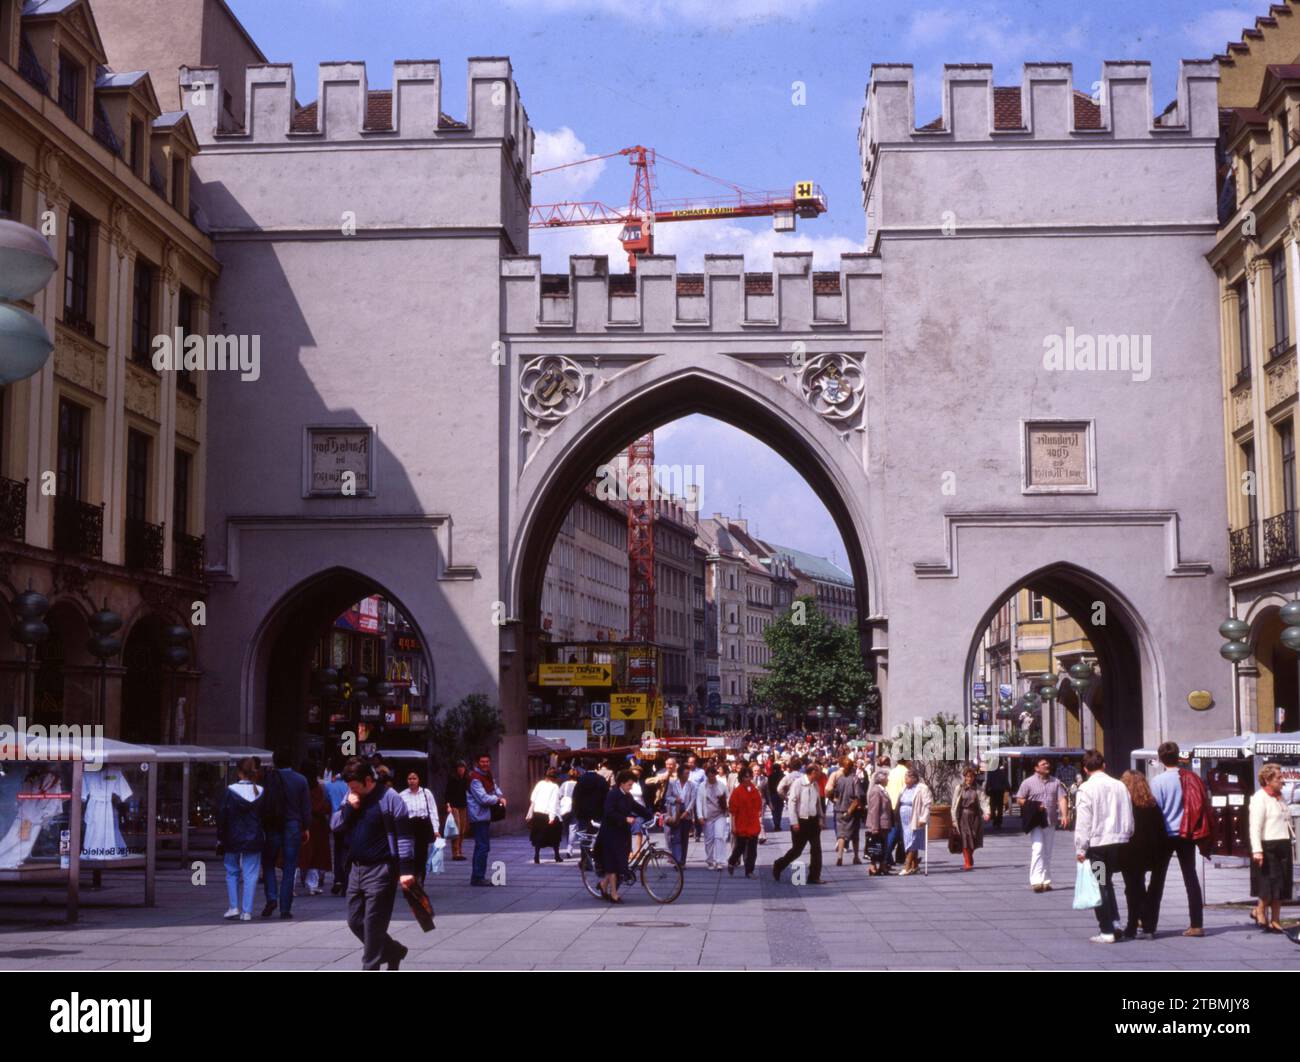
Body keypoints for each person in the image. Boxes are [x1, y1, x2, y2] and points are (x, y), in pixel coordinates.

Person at [330, 757, 416, 971]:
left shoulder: (390, 798)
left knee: (373, 924)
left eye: (355, 786)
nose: (352, 790)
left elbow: (405, 836)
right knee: (355, 921)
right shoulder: (351, 796)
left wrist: (405, 870)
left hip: (380, 869)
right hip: (355, 869)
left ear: (368, 780)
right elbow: (335, 825)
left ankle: (370, 966)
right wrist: (350, 807)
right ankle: (393, 950)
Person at [1073, 749, 1134, 944]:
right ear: (1104, 765)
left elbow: (1083, 821)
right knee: (1108, 884)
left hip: (1098, 846)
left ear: (1085, 769)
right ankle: (1115, 922)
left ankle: (1106, 929)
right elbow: (1129, 814)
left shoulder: (1086, 789)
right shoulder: (1120, 786)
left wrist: (1081, 848)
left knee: (1100, 885)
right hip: (1119, 842)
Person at [1146, 741, 1206, 938]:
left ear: (1161, 759)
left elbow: (1155, 812)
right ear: (1178, 756)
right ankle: (1196, 924)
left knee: (1157, 880)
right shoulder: (1190, 778)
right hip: (1186, 833)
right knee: (1190, 878)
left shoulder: (1158, 781)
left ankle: (1150, 925)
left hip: (1165, 835)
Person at [261, 748, 311, 920]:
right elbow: (306, 808)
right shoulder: (300, 780)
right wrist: (306, 827)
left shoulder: (268, 779)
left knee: (268, 862)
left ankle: (271, 897)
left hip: (272, 825)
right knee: (289, 867)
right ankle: (285, 908)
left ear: (275, 761)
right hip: (293, 825)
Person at [1249, 762, 1295, 933]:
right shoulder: (1259, 798)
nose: (1282, 780)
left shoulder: (1279, 797)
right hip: (1267, 844)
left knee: (1282, 884)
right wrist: (1257, 850)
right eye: (1278, 777)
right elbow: (1255, 826)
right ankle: (1260, 910)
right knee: (1269, 882)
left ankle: (1275, 920)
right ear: (1268, 780)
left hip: (1283, 843)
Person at [217, 757, 265, 921]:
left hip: (232, 837)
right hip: (254, 837)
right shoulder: (260, 791)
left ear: (238, 772)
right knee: (251, 874)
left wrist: (220, 838)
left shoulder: (230, 791)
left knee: (232, 872)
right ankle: (247, 912)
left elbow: (222, 816)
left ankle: (233, 907)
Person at [1119, 769, 1164, 940]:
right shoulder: (1152, 805)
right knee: (1142, 888)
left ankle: (1131, 925)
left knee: (1132, 889)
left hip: (1129, 853)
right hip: (1151, 854)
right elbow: (1160, 831)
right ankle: (1147, 925)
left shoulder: (1127, 805)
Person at [593, 769, 650, 903]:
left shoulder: (627, 796)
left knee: (619, 863)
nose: (631, 787)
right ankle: (614, 894)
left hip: (622, 834)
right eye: (629, 785)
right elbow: (609, 812)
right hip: (610, 834)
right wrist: (624, 819)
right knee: (612, 864)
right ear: (622, 783)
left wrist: (651, 814)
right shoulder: (613, 794)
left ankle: (603, 885)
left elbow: (637, 807)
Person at [1015, 757, 1071, 892]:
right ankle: (1036, 881)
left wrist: (1064, 815)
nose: (1047, 765)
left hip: (1050, 820)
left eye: (1048, 763)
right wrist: (1033, 805)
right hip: (1036, 821)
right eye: (1043, 764)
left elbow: (1062, 798)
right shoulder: (1028, 783)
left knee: (1047, 852)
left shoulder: (1055, 782)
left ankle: (1046, 880)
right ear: (1036, 768)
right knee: (1038, 848)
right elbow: (1019, 799)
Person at [772, 761, 825, 884]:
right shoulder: (798, 783)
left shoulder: (815, 784)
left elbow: (818, 803)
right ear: (812, 772)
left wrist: (821, 819)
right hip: (800, 821)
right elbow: (792, 803)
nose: (820, 775)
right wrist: (794, 822)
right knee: (797, 850)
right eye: (818, 772)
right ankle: (779, 865)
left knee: (816, 849)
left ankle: (814, 876)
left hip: (813, 821)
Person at [467, 753, 505, 887]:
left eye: (487, 761)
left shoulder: (487, 775)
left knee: (482, 846)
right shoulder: (475, 778)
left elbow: (496, 789)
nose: (485, 764)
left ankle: (477, 876)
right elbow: (483, 798)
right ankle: (478, 877)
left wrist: (499, 795)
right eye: (482, 762)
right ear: (477, 763)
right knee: (482, 847)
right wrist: (498, 799)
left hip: (484, 816)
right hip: (478, 817)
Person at [399, 770, 441, 884]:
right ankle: (409, 877)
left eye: (414, 778)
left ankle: (419, 878)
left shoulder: (426, 793)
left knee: (421, 853)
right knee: (408, 853)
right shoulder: (402, 795)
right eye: (409, 779)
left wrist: (436, 829)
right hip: (408, 826)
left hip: (423, 825)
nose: (412, 781)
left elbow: (433, 811)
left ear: (419, 780)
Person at [298, 763, 333, 895]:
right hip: (317, 824)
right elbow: (324, 805)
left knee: (299, 855)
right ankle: (312, 884)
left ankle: (292, 885)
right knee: (315, 855)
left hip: (301, 822)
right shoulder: (319, 787)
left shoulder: (300, 785)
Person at [950, 767, 991, 871]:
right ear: (964, 777)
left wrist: (987, 813)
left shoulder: (978, 789)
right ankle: (967, 862)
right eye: (967, 776)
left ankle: (970, 856)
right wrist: (954, 819)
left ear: (974, 777)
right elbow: (954, 804)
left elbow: (984, 801)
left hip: (975, 816)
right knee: (965, 839)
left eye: (971, 776)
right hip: (963, 816)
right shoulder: (959, 788)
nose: (969, 778)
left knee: (973, 838)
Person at [726, 765, 763, 877]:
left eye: (749, 777)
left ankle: (749, 871)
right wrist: (733, 826)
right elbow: (732, 810)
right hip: (741, 823)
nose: (747, 779)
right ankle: (732, 861)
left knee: (752, 850)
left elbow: (758, 807)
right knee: (740, 847)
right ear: (741, 778)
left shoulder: (755, 790)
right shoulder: (737, 792)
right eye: (745, 777)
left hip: (753, 823)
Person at [830, 757, 865, 866]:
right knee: (855, 835)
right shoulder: (855, 779)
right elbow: (857, 798)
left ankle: (840, 856)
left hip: (839, 809)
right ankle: (856, 857)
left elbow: (832, 793)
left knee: (841, 835)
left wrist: (836, 802)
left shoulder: (839, 779)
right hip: (851, 811)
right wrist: (849, 811)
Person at [662, 760, 697, 865]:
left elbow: (693, 799)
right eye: (686, 773)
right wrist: (675, 800)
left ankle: (683, 861)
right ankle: (677, 860)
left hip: (686, 814)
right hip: (675, 814)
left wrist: (687, 811)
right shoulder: (673, 783)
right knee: (676, 838)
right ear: (680, 774)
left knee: (684, 839)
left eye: (688, 773)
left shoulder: (692, 785)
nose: (687, 775)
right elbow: (667, 797)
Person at [572, 759, 610, 856]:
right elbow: (606, 797)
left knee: (584, 836)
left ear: (585, 767)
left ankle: (584, 859)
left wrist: (576, 812)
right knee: (596, 836)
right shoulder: (601, 779)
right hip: (598, 813)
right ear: (596, 766)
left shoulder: (581, 779)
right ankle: (596, 857)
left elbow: (575, 797)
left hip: (583, 813)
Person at [322, 764, 351, 895]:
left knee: (337, 852)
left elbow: (326, 801)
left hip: (335, 820)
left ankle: (338, 879)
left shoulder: (328, 786)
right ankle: (346, 880)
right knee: (348, 851)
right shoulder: (350, 785)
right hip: (349, 821)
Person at [897, 768, 931, 875]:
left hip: (915, 817)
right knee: (908, 840)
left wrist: (923, 818)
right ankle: (914, 865)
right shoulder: (904, 788)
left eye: (907, 778)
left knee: (912, 841)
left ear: (914, 778)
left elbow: (927, 804)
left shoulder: (922, 788)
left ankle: (907, 866)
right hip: (904, 819)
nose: (905, 780)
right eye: (905, 778)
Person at [526, 767, 564, 864]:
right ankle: (557, 855)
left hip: (538, 812)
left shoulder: (540, 784)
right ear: (555, 777)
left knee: (538, 834)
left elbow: (532, 797)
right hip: (548, 813)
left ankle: (536, 856)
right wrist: (552, 817)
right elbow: (554, 803)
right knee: (555, 836)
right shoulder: (555, 787)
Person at [696, 763, 730, 870]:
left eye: (713, 775)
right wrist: (700, 816)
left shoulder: (721, 785)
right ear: (707, 776)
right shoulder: (702, 786)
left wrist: (727, 806)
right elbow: (699, 802)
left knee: (720, 837)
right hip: (707, 816)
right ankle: (710, 860)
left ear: (716, 775)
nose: (712, 777)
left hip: (720, 814)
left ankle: (720, 861)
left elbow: (728, 797)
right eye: (710, 776)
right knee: (709, 839)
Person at [864, 768, 893, 875]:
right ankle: (873, 866)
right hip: (879, 823)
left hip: (884, 823)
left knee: (882, 845)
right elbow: (874, 810)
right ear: (881, 779)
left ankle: (882, 866)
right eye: (887, 778)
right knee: (876, 845)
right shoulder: (876, 791)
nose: (888, 780)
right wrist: (874, 827)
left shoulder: (882, 790)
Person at [443, 761, 470, 862]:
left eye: (462, 767)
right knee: (457, 829)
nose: (461, 769)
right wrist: (448, 805)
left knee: (463, 829)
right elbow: (447, 793)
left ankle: (460, 850)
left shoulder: (465, 779)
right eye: (459, 767)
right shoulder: (452, 779)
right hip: (454, 806)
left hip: (463, 805)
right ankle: (456, 852)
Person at [886, 757, 909, 865]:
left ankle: (897, 856)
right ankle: (886, 855)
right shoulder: (906, 773)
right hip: (900, 805)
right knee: (896, 832)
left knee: (894, 831)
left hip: (890, 804)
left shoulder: (892, 772)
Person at [559, 765, 580, 857]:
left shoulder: (564, 784)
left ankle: (568, 846)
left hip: (565, 808)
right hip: (575, 808)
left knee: (566, 828)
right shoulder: (579, 785)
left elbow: (559, 796)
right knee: (573, 828)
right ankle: (569, 848)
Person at [984, 764, 1009, 829]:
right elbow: (1006, 781)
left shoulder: (990, 772)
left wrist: (986, 789)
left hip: (993, 791)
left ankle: (995, 820)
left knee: (993, 806)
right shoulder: (1002, 772)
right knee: (1000, 807)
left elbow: (988, 782)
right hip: (1000, 791)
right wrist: (1008, 788)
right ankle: (999, 822)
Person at [767, 757, 786, 832]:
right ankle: (778, 823)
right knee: (779, 810)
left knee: (774, 811)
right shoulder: (783, 776)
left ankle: (776, 824)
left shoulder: (770, 776)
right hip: (780, 795)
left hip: (773, 795)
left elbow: (768, 787)